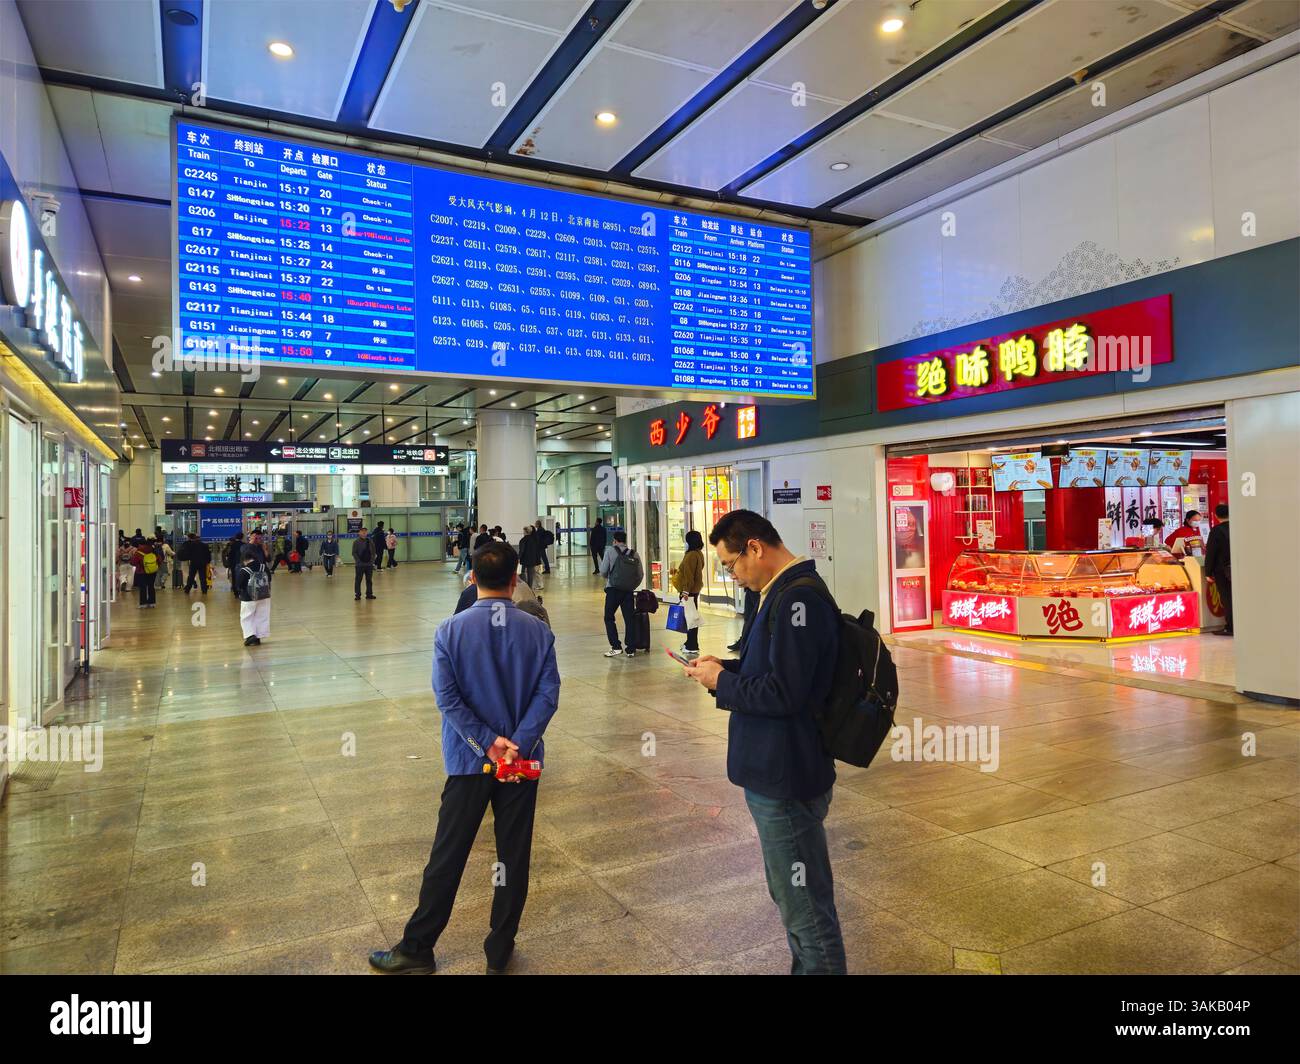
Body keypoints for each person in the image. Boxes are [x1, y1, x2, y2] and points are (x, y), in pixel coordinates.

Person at [369, 541, 560, 976]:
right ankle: (498, 951)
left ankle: (417, 949)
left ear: (471, 578)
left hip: (468, 763)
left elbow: (448, 699)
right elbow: (548, 694)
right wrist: (517, 743)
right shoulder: (539, 632)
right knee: (512, 857)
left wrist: (486, 743)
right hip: (520, 767)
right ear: (516, 580)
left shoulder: (449, 631)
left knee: (448, 855)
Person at [682, 509, 845, 975]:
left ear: (755, 547)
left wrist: (723, 683)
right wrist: (723, 671)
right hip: (780, 769)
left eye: (731, 565)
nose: (732, 576)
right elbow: (776, 673)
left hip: (787, 776)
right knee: (794, 898)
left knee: (806, 910)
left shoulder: (799, 600)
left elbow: (785, 692)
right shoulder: (779, 594)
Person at [599, 530, 638, 658]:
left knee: (609, 617)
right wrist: (632, 585)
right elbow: (640, 574)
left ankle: (616, 646)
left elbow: (603, 571)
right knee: (629, 619)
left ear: (615, 540)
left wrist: (610, 578)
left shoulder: (610, 551)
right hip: (628, 591)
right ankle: (631, 648)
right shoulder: (634, 553)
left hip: (613, 590)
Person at [671, 529, 705, 660]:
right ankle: (690, 643)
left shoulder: (691, 555)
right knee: (691, 618)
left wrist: (685, 591)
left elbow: (689, 576)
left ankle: (692, 645)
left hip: (689, 592)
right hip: (693, 590)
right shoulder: (698, 554)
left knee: (690, 619)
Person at [235, 533, 272, 647]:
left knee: (247, 616)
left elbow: (239, 585)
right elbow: (269, 578)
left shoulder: (244, 570)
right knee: (261, 615)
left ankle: (250, 636)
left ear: (245, 560)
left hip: (248, 597)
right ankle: (259, 635)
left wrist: (241, 592)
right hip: (264, 595)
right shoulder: (263, 567)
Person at [1205, 503, 1232, 636]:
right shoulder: (1238, 527)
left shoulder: (1216, 531)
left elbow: (1211, 553)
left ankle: (1231, 626)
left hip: (1222, 571)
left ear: (1216, 516)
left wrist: (1208, 572)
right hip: (1237, 568)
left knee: (1227, 598)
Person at [130, 537, 161, 608]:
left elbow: (133, 562)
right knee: (151, 586)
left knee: (143, 587)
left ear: (140, 544)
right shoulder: (153, 550)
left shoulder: (138, 552)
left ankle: (143, 604)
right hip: (152, 571)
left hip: (141, 572)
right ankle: (152, 603)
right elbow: (159, 560)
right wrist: (154, 567)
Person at [729, 586, 761, 652]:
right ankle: (743, 641)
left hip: (758, 589)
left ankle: (748, 642)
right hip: (750, 589)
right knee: (748, 617)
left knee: (758, 616)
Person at [352, 527, 377, 601]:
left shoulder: (370, 541)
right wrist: (358, 561)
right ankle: (358, 595)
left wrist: (372, 561)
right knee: (358, 580)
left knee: (369, 580)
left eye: (365, 532)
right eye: (362, 531)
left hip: (369, 564)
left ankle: (369, 594)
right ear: (359, 533)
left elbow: (373, 552)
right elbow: (354, 553)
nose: (364, 533)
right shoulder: (356, 542)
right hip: (360, 565)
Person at [518, 525, 543, 589]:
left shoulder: (523, 540)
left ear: (525, 532)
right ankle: (530, 587)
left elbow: (522, 550)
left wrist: (518, 557)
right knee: (530, 574)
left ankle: (525, 586)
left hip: (524, 559)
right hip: (532, 559)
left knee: (522, 572)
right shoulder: (534, 539)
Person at [223, 532, 245, 596]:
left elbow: (228, 554)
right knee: (243, 576)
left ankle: (235, 592)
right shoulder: (244, 545)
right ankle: (241, 590)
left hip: (233, 563)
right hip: (242, 563)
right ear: (242, 537)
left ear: (236, 537)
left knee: (234, 577)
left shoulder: (231, 545)